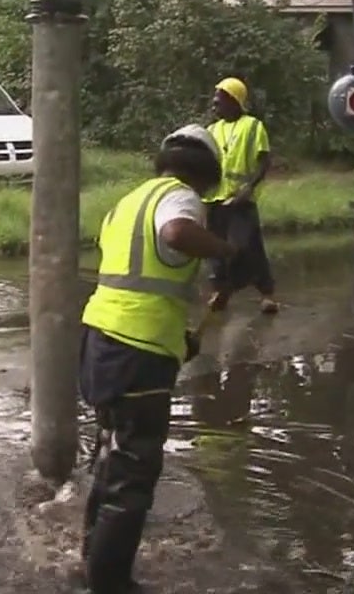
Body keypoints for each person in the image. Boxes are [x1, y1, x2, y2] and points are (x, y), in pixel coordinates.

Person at [78, 124, 238, 594]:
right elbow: (176, 232)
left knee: (111, 457)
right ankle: (109, 584)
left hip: (101, 343)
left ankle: (91, 560)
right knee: (133, 473)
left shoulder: (127, 202)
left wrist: (180, 339)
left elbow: (140, 278)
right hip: (137, 353)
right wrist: (226, 250)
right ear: (204, 175)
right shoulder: (180, 197)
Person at [203, 77, 279, 314]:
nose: (215, 106)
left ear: (235, 101)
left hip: (241, 199)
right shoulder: (211, 130)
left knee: (248, 246)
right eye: (214, 102)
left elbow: (264, 161)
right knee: (214, 248)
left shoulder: (253, 126)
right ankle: (220, 291)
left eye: (220, 101)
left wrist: (250, 187)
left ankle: (266, 294)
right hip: (214, 198)